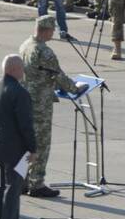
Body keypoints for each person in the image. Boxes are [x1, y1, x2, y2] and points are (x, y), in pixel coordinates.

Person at [19, 15, 84, 197]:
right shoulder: (44, 52)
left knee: (26, 143)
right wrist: (75, 88)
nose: (53, 33)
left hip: (25, 101)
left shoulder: (25, 45)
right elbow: (58, 76)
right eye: (52, 29)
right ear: (46, 30)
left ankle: (22, 180)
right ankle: (37, 183)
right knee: (41, 144)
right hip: (40, 104)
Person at [0, 55, 36, 219]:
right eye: (22, 69)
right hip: (15, 147)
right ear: (14, 69)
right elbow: (26, 124)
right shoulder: (20, 93)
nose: (23, 73)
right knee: (13, 186)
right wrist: (33, 149)